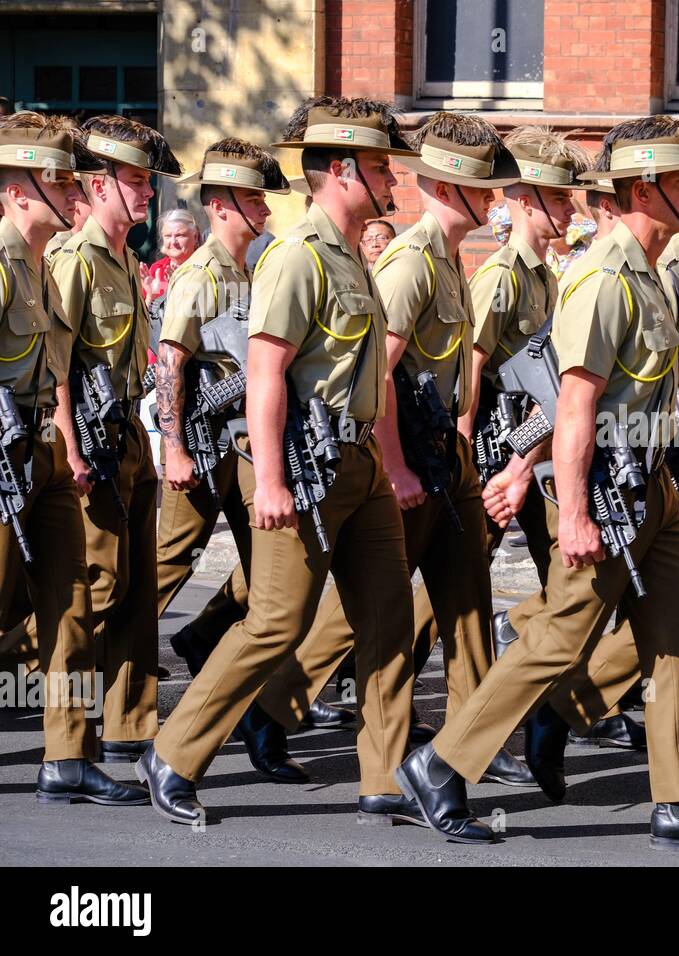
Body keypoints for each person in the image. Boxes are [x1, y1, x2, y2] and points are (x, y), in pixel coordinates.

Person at [397, 115, 679, 855]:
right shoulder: (607, 277)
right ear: (644, 188)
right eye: (678, 181)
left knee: (678, 642)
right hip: (607, 490)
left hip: (655, 485)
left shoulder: (652, 271)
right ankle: (440, 763)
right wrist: (570, 511)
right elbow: (573, 404)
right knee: (556, 641)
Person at [136, 95, 425, 827]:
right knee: (274, 621)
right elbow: (264, 373)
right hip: (306, 466)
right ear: (345, 171)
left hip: (358, 463)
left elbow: (374, 378)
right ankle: (172, 752)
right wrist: (266, 480)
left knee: (389, 624)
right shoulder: (299, 256)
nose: (394, 180)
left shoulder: (354, 256)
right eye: (383, 167)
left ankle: (385, 777)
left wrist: (390, 465)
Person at [258, 110, 537, 788]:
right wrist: (396, 465)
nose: (497, 201)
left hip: (444, 454)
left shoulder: (446, 260)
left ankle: (473, 738)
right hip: (402, 456)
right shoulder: (410, 262)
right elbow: (376, 371)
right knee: (360, 612)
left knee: (466, 602)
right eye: (486, 189)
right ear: (453, 189)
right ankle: (269, 710)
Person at [153, 137, 347, 783]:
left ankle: (224, 670)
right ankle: (100, 683)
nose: (264, 207)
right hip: (200, 449)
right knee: (161, 567)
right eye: (252, 197)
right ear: (220, 204)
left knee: (272, 578)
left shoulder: (252, 270)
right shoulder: (199, 273)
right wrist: (174, 447)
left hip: (242, 451)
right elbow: (172, 360)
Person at [0, 112, 150, 807]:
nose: (72, 192)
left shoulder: (41, 270)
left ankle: (67, 754)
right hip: (4, 460)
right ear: (15, 190)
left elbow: (58, 370)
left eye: (71, 178)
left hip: (47, 458)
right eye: (57, 180)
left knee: (71, 604)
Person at [45, 114, 183, 763]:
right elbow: (57, 364)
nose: (147, 194)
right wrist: (69, 448)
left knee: (136, 588)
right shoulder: (75, 259)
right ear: (98, 186)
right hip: (90, 440)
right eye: (135, 181)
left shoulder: (127, 260)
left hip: (129, 429)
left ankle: (131, 724)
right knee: (95, 585)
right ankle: (63, 728)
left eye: (148, 183)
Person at [144, 208, 201, 306]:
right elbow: (144, 316)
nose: (173, 242)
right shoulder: (157, 269)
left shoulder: (204, 268)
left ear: (195, 237)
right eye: (168, 236)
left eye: (180, 235)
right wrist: (150, 296)